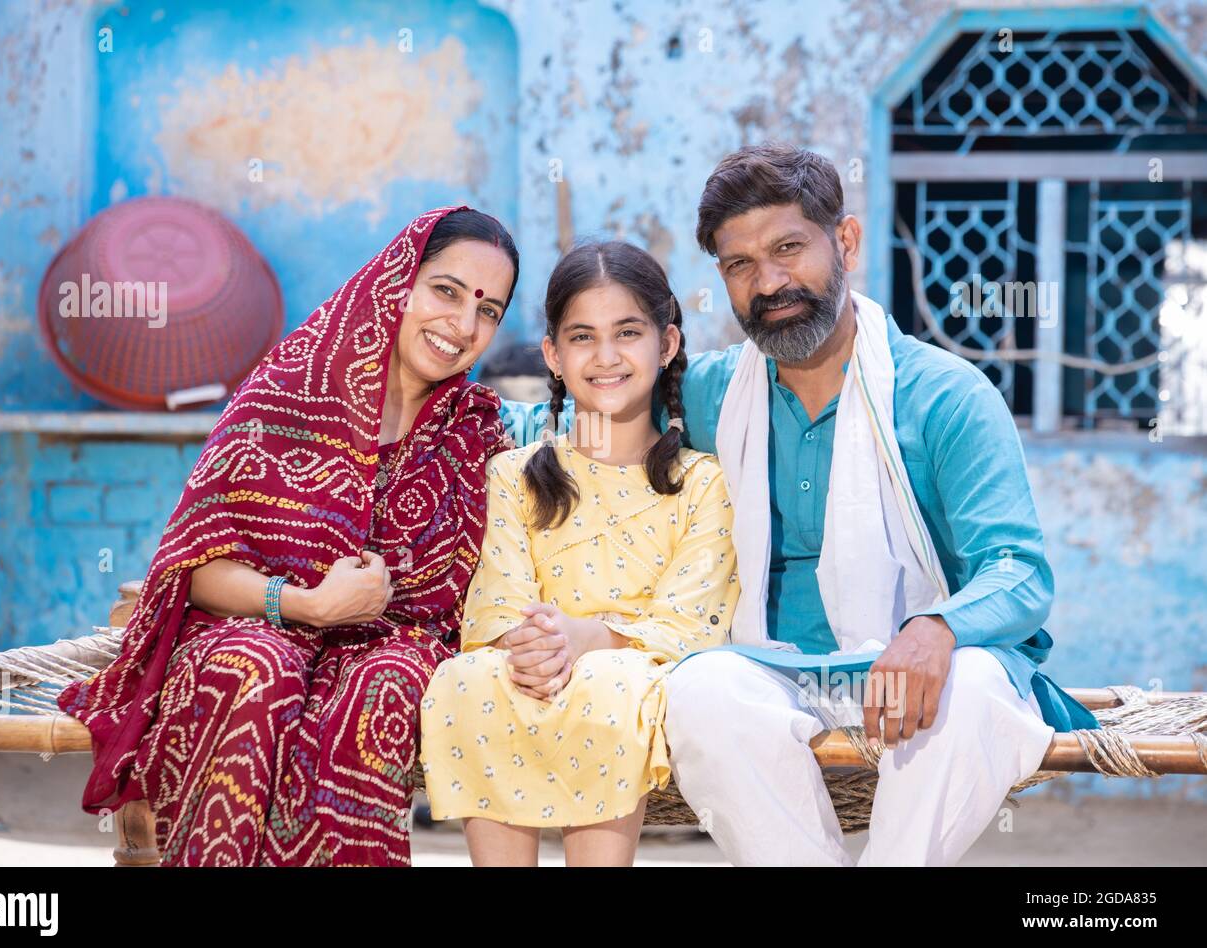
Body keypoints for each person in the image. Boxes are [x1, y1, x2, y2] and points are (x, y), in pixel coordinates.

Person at [500, 143, 1099, 867]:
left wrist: (937, 628)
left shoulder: (945, 397)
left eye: (789, 248)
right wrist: (434, 414)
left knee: (975, 683)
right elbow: (578, 423)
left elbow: (1018, 571)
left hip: (916, 676)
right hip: (772, 671)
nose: (770, 282)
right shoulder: (716, 394)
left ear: (844, 240)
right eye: (740, 265)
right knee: (701, 687)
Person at [58, 206, 519, 866]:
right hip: (252, 626)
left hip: (393, 647)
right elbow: (198, 566)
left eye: (490, 310)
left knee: (380, 684)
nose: (463, 325)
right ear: (399, 281)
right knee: (258, 669)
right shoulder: (288, 388)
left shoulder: (474, 432)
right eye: (445, 291)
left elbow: (466, 600)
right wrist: (305, 606)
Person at [419, 240, 739, 866]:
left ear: (667, 345)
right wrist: (539, 644)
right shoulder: (513, 475)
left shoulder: (704, 483)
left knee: (609, 681)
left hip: (631, 670)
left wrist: (587, 640)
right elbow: (495, 607)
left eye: (627, 332)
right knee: (467, 677)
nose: (607, 357)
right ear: (554, 356)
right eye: (583, 337)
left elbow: (690, 624)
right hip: (528, 666)